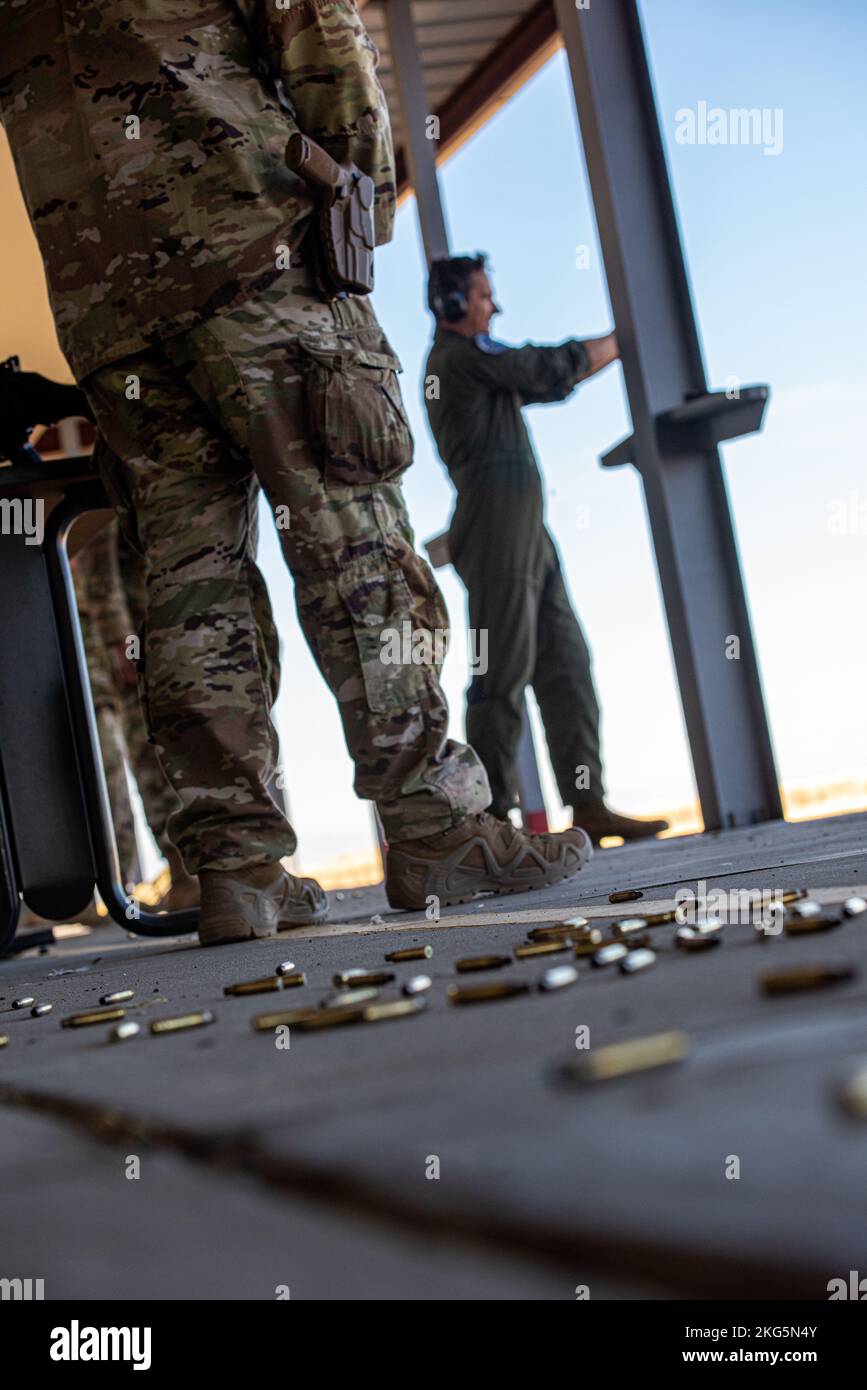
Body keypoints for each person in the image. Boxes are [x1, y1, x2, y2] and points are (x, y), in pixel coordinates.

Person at [0, 2, 592, 943]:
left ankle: (236, 871)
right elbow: (319, 29)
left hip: (110, 309)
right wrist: (357, 192)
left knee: (190, 588)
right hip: (255, 251)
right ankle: (434, 830)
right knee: (354, 546)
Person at [424, 254, 669, 844]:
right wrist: (616, 341)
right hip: (496, 525)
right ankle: (488, 818)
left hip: (529, 529)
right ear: (453, 304)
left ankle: (587, 803)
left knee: (565, 661)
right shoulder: (460, 359)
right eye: (484, 295)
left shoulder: (476, 368)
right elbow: (539, 368)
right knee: (501, 671)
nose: (494, 306)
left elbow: (537, 379)